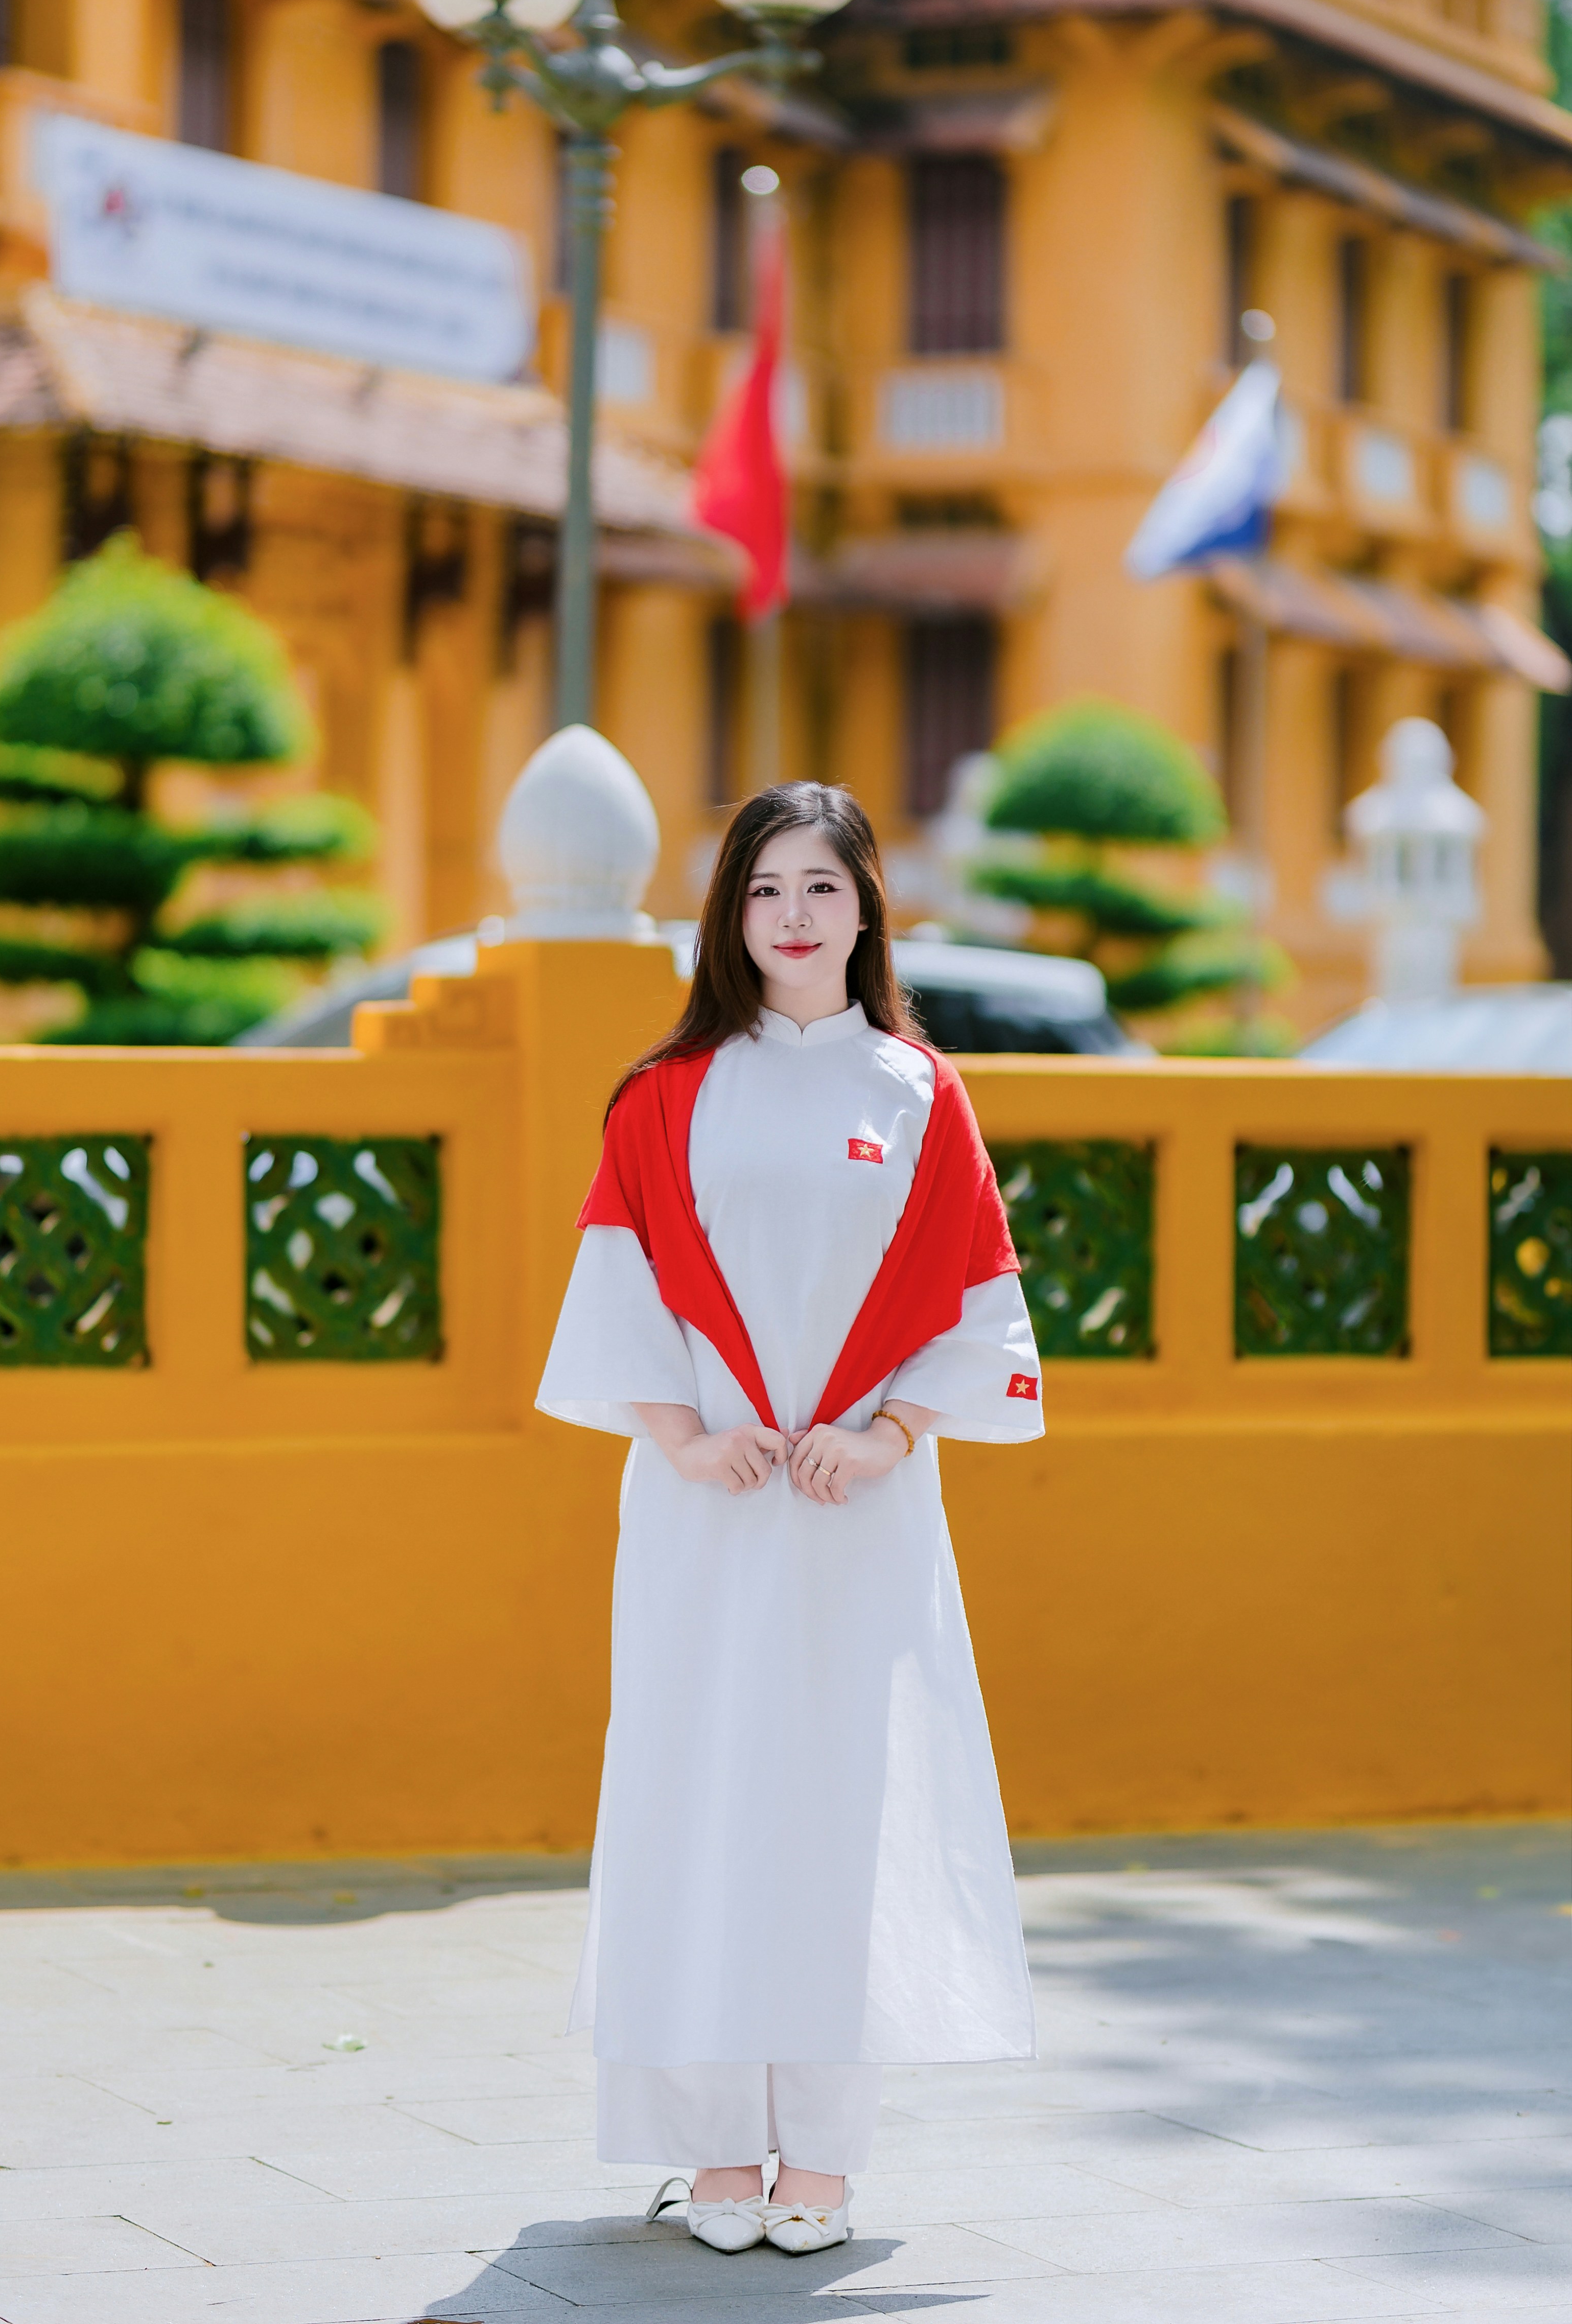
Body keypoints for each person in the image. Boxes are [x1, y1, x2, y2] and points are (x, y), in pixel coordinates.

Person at [537, 780, 1044, 2258]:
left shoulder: (921, 1093)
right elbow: (619, 1293)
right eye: (767, 890)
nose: (796, 916)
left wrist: (887, 1432)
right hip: (707, 1508)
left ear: (869, 904)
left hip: (857, 1514)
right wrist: (684, 1433)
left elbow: (970, 1302)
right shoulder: (664, 1093)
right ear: (730, 914)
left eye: (824, 886)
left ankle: (820, 2148)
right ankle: (714, 2148)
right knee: (698, 1798)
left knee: (842, 1806)